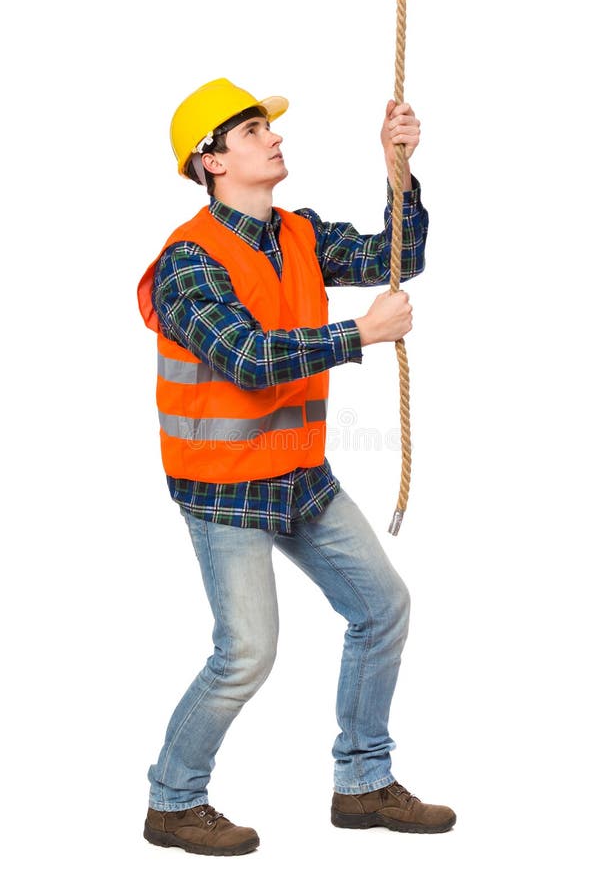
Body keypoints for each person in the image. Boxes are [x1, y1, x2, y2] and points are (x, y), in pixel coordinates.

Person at [137, 77, 455, 857]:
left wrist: (400, 174)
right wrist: (359, 335)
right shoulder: (188, 263)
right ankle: (173, 801)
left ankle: (363, 783)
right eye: (251, 131)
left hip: (298, 474)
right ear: (211, 162)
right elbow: (249, 359)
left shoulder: (299, 234)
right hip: (224, 489)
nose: (272, 136)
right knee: (246, 654)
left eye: (267, 127)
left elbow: (397, 258)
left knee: (382, 608)